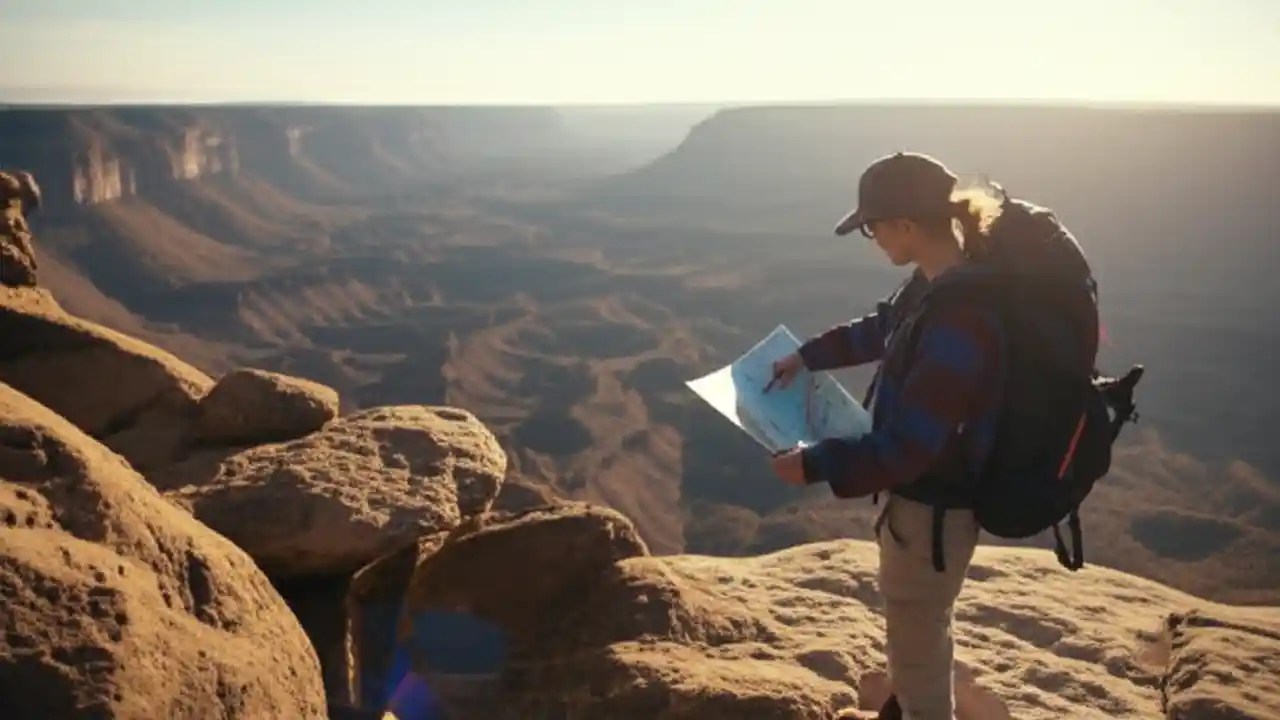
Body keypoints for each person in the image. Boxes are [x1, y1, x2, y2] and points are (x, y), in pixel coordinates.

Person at [767, 152, 1006, 720]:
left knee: (919, 638)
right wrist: (807, 356)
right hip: (923, 506)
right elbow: (881, 330)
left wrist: (817, 464)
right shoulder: (935, 288)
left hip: (933, 513)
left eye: (872, 227)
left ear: (905, 223)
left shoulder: (960, 315)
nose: (871, 239)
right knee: (914, 631)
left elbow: (913, 446)